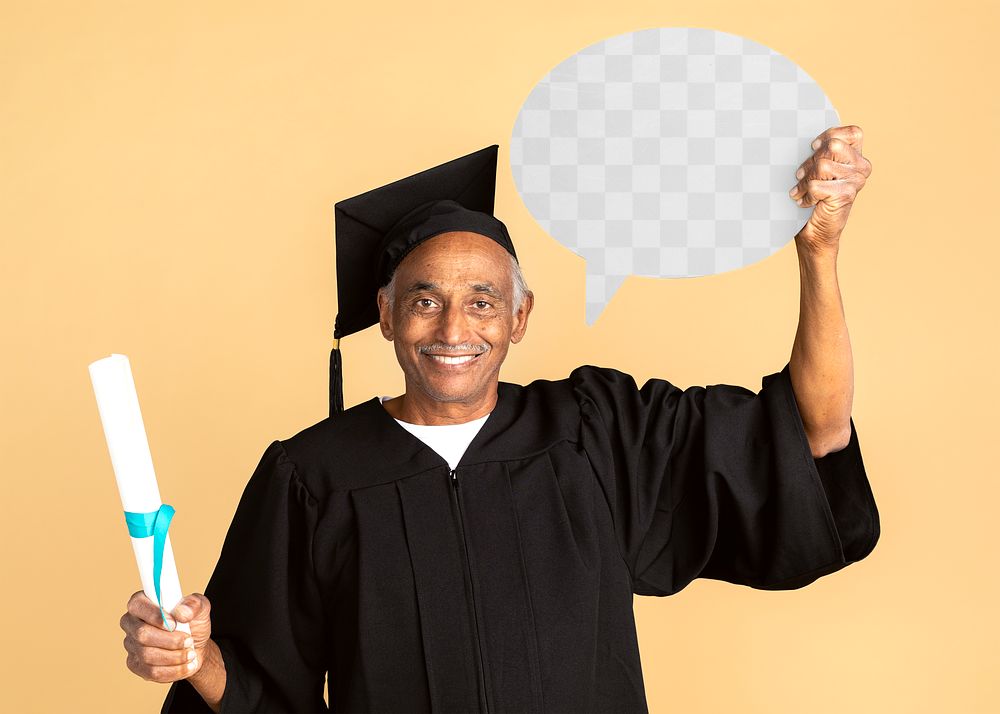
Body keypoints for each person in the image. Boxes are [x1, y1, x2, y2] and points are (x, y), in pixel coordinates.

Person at [119, 128, 879, 713]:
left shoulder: (599, 431)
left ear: (520, 317)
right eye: (423, 299)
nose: (454, 328)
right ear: (384, 315)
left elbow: (811, 430)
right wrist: (195, 660)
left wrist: (820, 251)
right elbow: (260, 689)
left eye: (483, 300)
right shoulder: (312, 475)